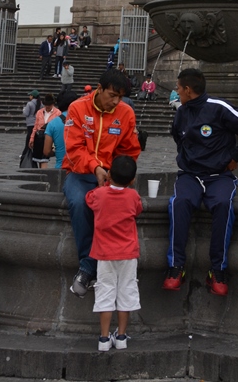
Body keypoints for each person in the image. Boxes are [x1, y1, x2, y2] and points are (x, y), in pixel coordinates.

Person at [164, 67, 238, 296]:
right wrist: (186, 158)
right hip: (190, 175)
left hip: (219, 176)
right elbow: (177, 137)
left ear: (187, 90)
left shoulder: (218, 108)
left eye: (178, 88)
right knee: (179, 203)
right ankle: (176, 267)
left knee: (223, 206)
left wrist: (235, 156)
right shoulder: (182, 112)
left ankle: (218, 270)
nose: (176, 92)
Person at [63, 68, 141, 298]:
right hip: (80, 173)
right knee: (78, 202)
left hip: (111, 176)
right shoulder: (77, 108)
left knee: (116, 207)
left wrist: (117, 174)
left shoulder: (126, 113)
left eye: (120, 97)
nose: (115, 101)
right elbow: (73, 149)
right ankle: (88, 266)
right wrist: (94, 167)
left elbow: (129, 150)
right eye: (112, 95)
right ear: (99, 89)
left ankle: (98, 267)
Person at [85, 155, 142, 352]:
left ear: (109, 174)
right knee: (126, 291)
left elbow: (89, 199)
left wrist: (103, 186)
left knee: (105, 292)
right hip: (127, 253)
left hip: (104, 253)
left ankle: (103, 338)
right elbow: (138, 209)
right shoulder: (133, 196)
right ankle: (121, 336)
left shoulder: (100, 194)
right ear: (132, 180)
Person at [29, 95, 61, 168]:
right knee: (39, 159)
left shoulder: (58, 113)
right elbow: (35, 127)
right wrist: (32, 138)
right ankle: (41, 173)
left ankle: (44, 175)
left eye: (49, 105)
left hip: (50, 137)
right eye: (46, 105)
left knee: (44, 159)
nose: (47, 106)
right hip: (39, 138)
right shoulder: (39, 112)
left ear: (53, 104)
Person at [20, 90, 41, 162]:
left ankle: (25, 154)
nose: (29, 96)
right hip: (38, 124)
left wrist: (23, 109)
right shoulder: (40, 104)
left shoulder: (29, 104)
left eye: (30, 95)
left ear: (32, 96)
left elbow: (26, 113)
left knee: (28, 139)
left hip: (30, 123)